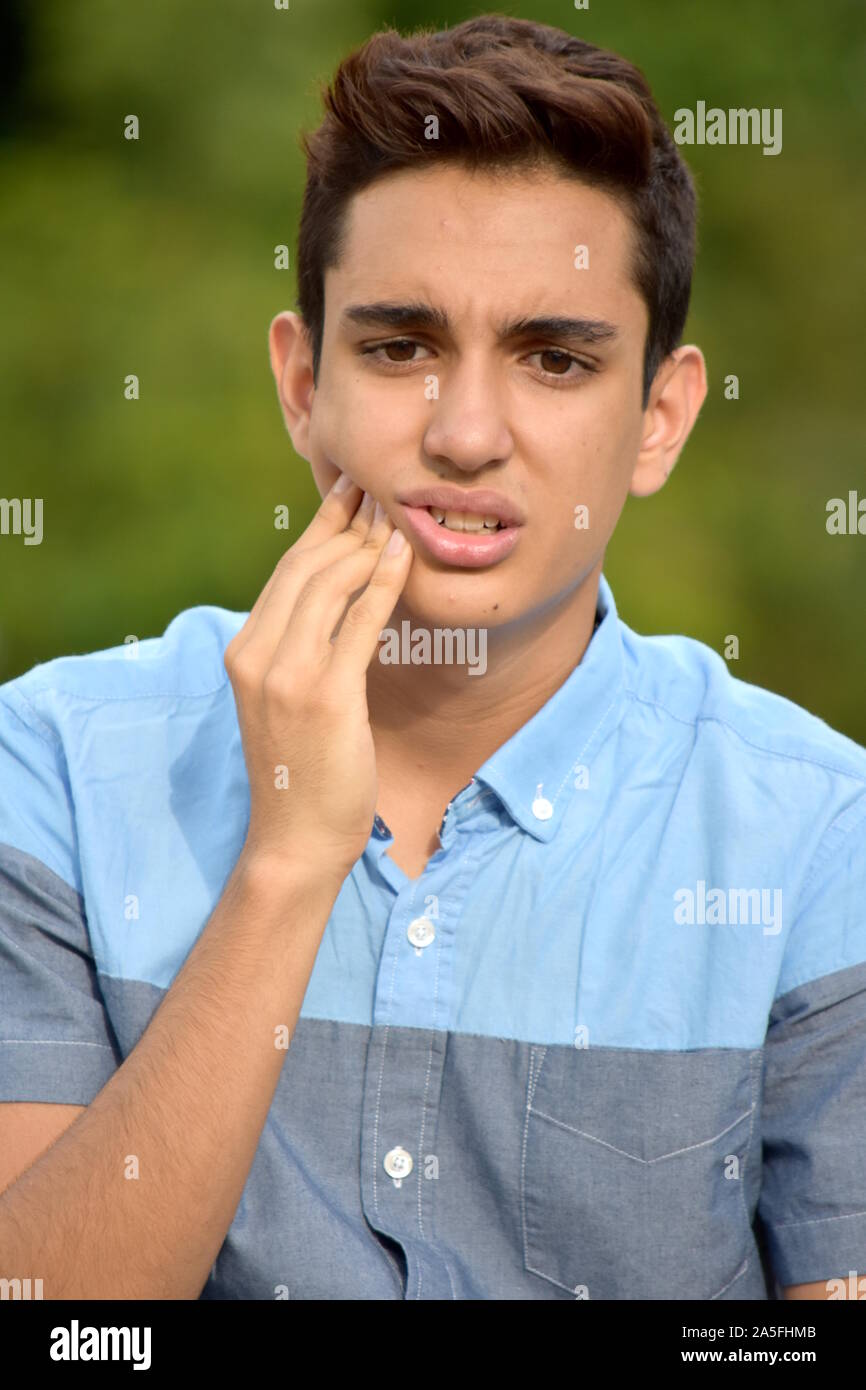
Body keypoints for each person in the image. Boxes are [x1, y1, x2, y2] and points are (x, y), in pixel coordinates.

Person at [1, 14, 864, 1301]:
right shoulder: (59, 768)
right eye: (399, 346)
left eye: (553, 359)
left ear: (658, 419)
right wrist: (288, 862)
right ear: (301, 384)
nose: (465, 434)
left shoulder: (813, 835)